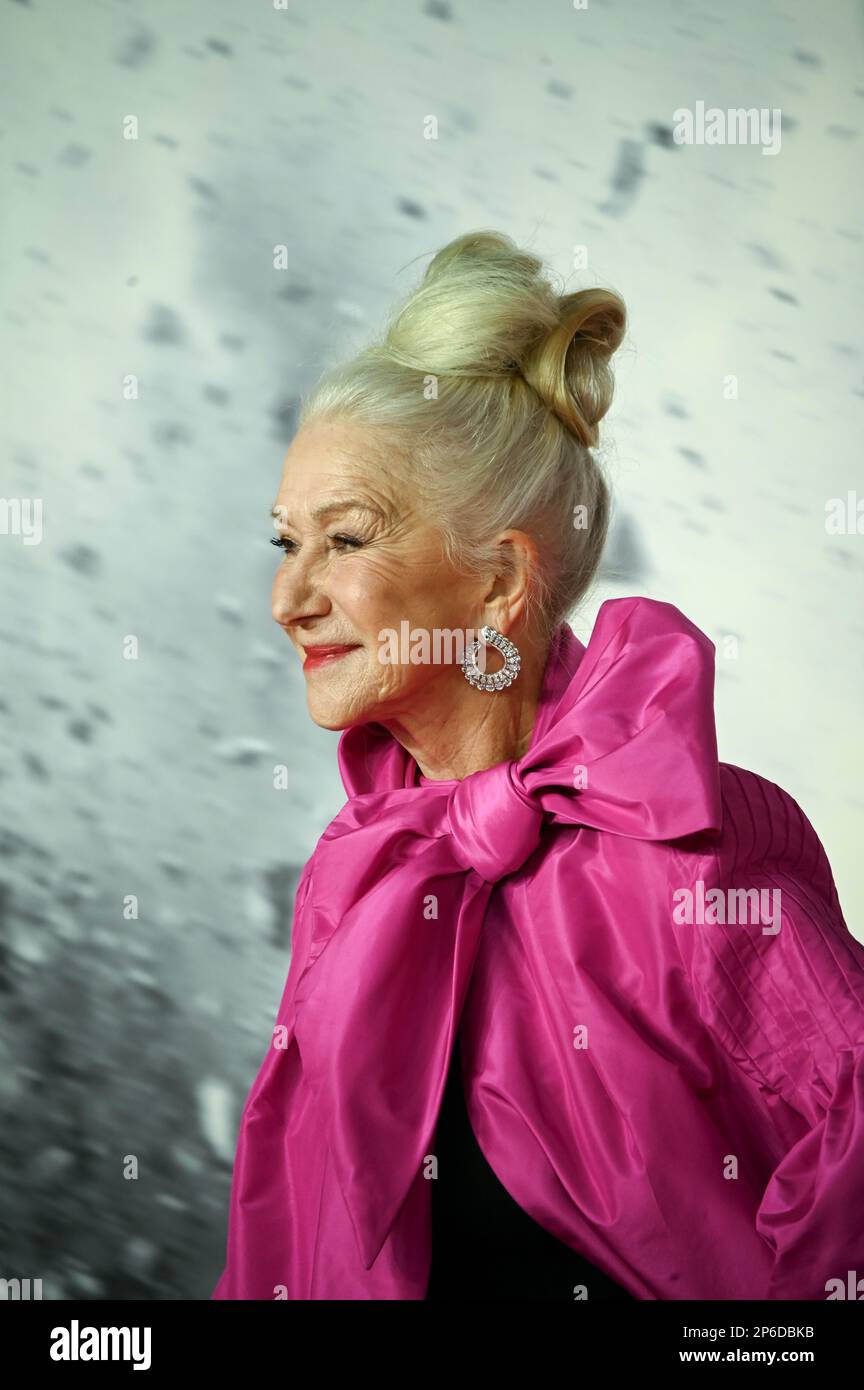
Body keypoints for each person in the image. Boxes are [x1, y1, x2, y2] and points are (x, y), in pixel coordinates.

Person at [211, 230, 864, 1301]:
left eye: (348, 538)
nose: (288, 599)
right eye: (287, 543)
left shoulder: (692, 858)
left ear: (497, 583)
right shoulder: (364, 871)